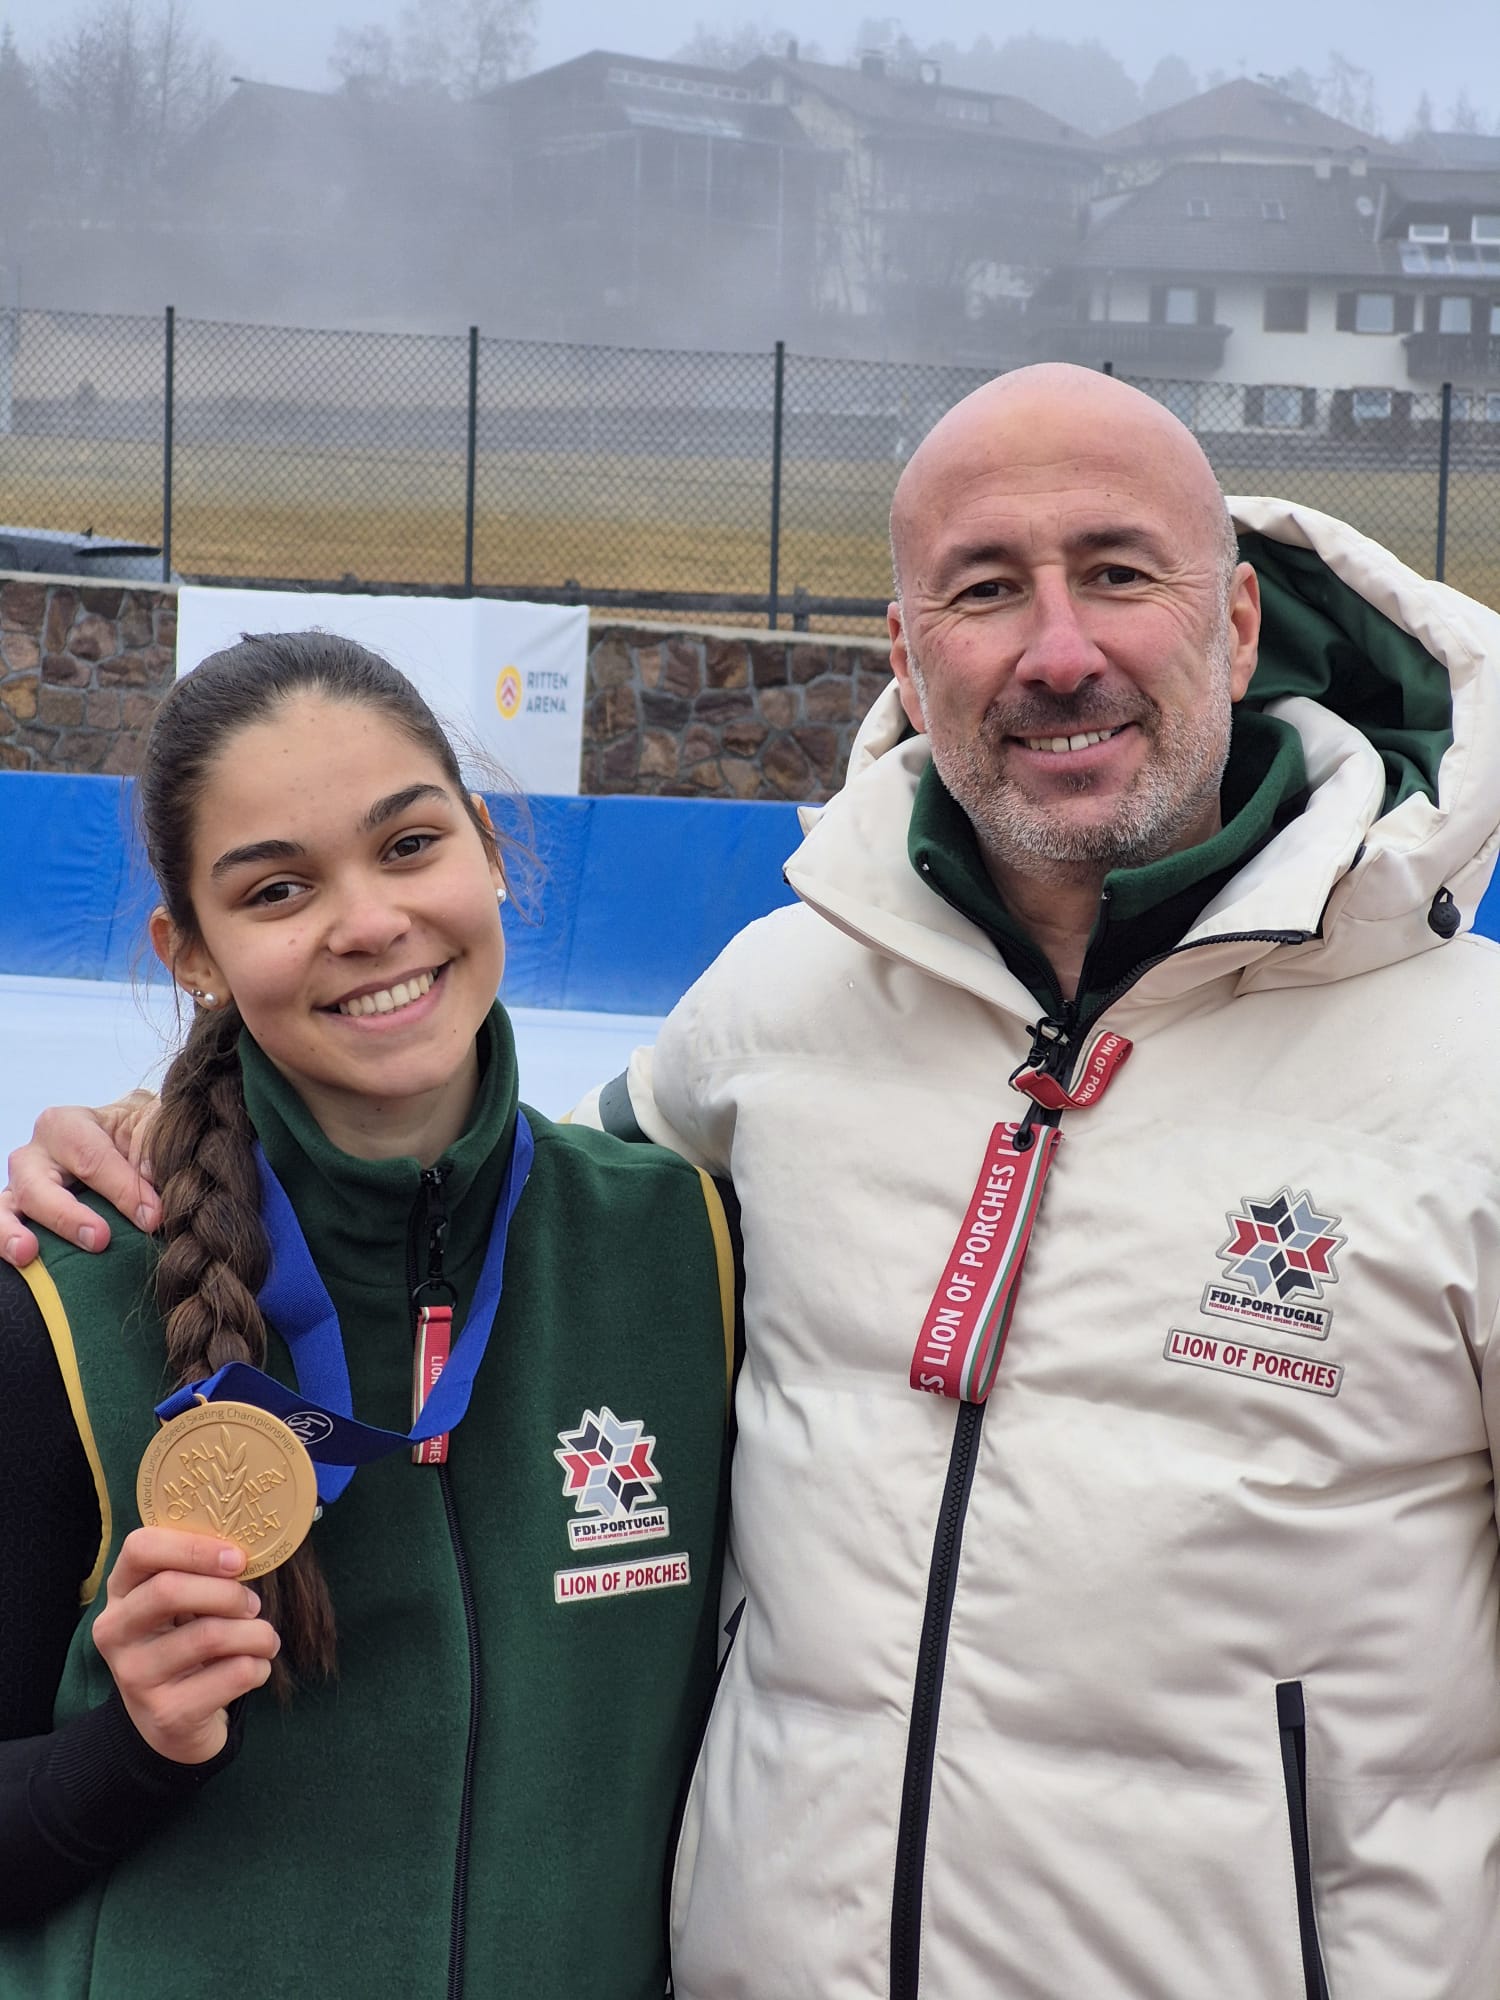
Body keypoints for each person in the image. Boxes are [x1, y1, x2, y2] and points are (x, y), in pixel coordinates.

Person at [9, 362, 1500, 1996]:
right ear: (908, 661)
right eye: (985, 590)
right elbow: (463, 1193)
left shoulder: (1465, 1080)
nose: (1058, 649)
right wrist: (160, 1127)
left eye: (1119, 573)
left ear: (1233, 624)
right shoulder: (771, 1017)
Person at [0, 631, 734, 1999]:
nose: (368, 921)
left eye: (408, 845)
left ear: (490, 851)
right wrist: (134, 1747)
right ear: (194, 952)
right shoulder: (62, 1292)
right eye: (276, 888)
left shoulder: (687, 1254)